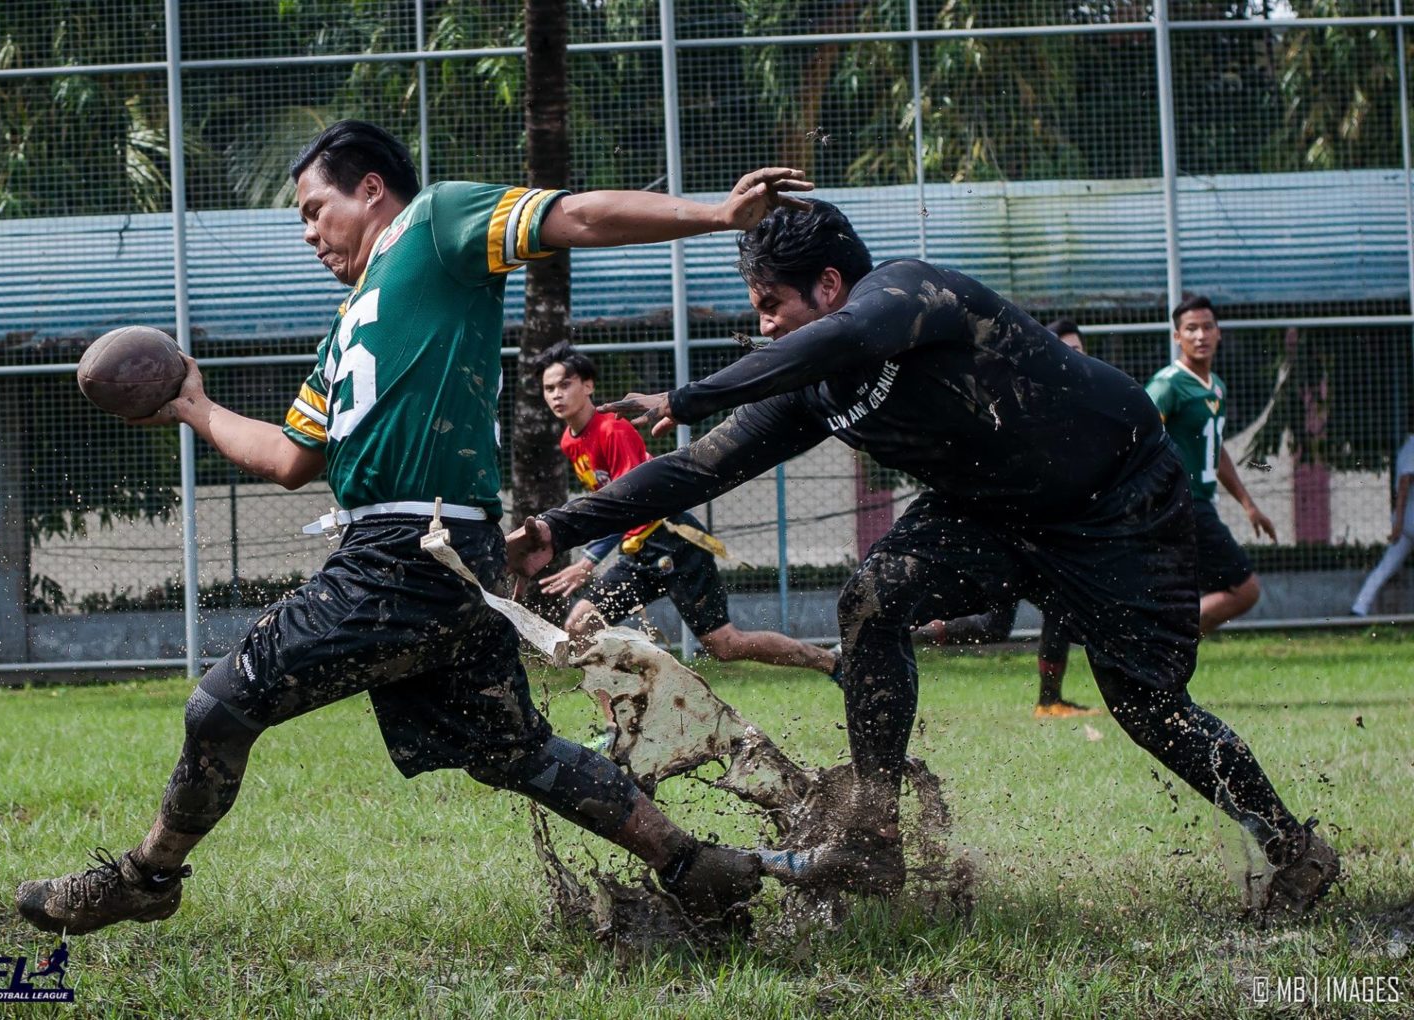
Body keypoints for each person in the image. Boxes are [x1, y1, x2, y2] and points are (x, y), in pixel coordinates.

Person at [14, 120, 817, 936]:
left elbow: (574, 218)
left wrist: (718, 216)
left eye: (313, 208)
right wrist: (194, 404)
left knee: (219, 708)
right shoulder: (347, 325)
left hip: (404, 555)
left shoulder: (433, 224)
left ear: (369, 189)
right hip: (439, 559)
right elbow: (293, 458)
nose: (307, 232)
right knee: (516, 752)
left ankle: (148, 878)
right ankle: (695, 866)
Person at [507, 201, 1338, 913]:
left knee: (1148, 707)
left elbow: (844, 337)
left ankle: (1294, 847)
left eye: (771, 305)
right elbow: (698, 467)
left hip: (1116, 500)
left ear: (829, 287)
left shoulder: (904, 292)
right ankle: (873, 834)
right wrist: (555, 528)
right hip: (990, 511)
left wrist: (686, 395)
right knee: (870, 598)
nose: (763, 326)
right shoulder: (815, 387)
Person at [535, 341, 838, 678]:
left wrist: (589, 560)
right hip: (638, 551)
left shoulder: (612, 429)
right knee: (580, 625)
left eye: (565, 384)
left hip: (672, 540)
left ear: (587, 385)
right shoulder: (569, 441)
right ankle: (616, 726)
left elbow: (631, 505)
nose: (556, 395)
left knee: (724, 645)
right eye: (549, 388)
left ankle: (832, 663)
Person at [914, 318, 1098, 719]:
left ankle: (1050, 701)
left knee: (1044, 612)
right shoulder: (1021, 401)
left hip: (1045, 528)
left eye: (1078, 353)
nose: (1071, 360)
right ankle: (909, 631)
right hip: (1011, 528)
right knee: (1000, 622)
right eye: (1063, 352)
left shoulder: (1083, 404)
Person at [1146, 296, 1277, 634]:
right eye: (1191, 329)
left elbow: (1215, 451)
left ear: (1219, 333)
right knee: (1245, 590)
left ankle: (1165, 646)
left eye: (1207, 327)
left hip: (1200, 505)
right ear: (1178, 337)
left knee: (1177, 593)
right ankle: (1168, 639)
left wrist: (1249, 505)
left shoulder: (1216, 386)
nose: (1201, 335)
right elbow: (1140, 438)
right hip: (1181, 505)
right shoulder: (1168, 385)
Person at [1351, 428, 1414, 616]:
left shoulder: (1407, 446)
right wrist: (1399, 523)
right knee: (1387, 565)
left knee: (1387, 565)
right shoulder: (1412, 447)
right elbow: (1404, 484)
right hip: (1409, 518)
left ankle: (1359, 608)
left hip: (1406, 520)